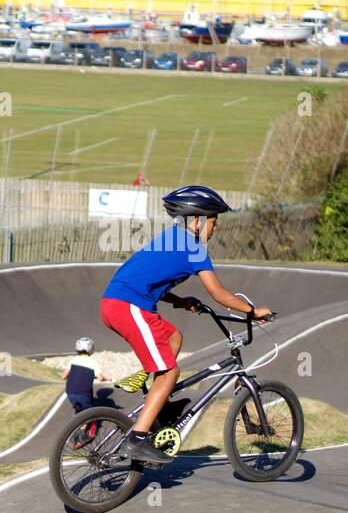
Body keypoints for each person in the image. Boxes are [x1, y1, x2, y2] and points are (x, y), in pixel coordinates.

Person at [99, 184, 273, 463]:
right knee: (170, 373)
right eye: (213, 222)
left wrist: (179, 300)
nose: (215, 230)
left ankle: (161, 406)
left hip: (118, 304)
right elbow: (219, 294)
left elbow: (147, 279)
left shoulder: (169, 240)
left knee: (174, 338)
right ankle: (137, 439)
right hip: (129, 308)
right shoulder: (194, 249)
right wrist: (252, 311)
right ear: (196, 221)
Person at [61, 337, 109, 414]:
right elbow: (100, 378)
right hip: (83, 393)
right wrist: (106, 378)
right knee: (89, 414)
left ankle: (79, 423)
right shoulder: (93, 362)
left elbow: (63, 376)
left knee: (79, 410)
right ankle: (89, 424)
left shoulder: (74, 359)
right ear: (91, 350)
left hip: (70, 392)